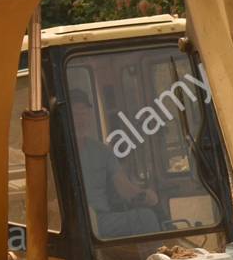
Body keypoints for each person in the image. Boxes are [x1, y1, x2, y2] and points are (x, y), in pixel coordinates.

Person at [68, 88, 163, 238]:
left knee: (148, 215)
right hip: (72, 219)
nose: (81, 119)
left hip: (101, 219)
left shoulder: (101, 151)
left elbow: (124, 188)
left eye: (84, 113)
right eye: (75, 114)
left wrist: (144, 195)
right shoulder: (55, 152)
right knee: (147, 219)